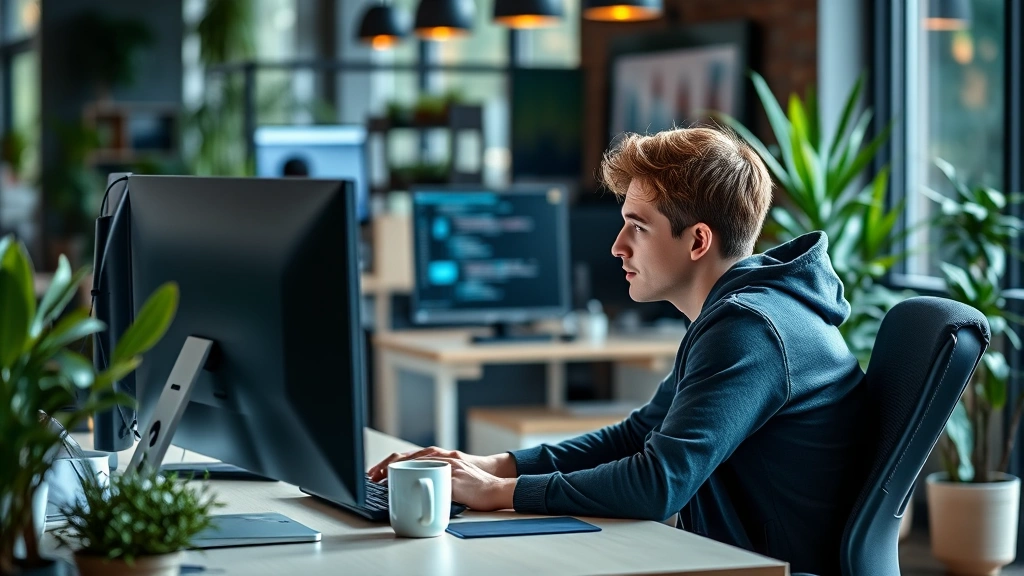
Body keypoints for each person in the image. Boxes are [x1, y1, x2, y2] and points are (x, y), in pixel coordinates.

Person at [369, 127, 865, 575]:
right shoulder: (741, 313)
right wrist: (493, 465)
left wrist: (499, 494)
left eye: (638, 226)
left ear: (698, 242)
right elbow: (640, 435)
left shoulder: (749, 329)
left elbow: (657, 484)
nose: (618, 246)